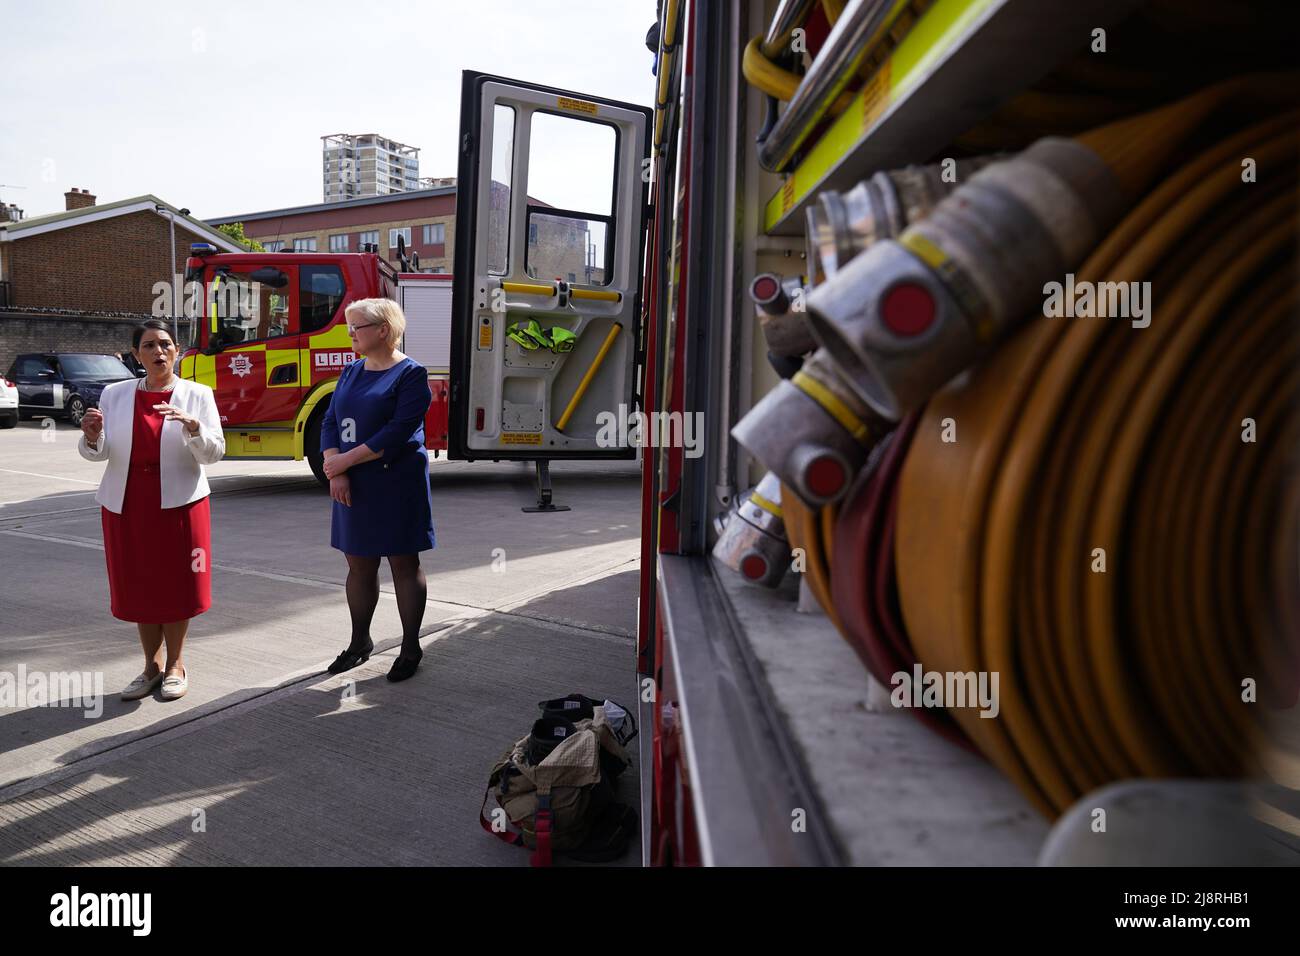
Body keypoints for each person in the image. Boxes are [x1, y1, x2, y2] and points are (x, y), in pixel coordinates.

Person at [79, 319, 225, 701]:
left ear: (177, 350)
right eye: (148, 346)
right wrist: (92, 437)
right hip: (127, 503)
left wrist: (195, 429)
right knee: (139, 584)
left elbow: (215, 453)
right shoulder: (114, 394)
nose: (158, 352)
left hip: (180, 502)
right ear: (135, 354)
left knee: (176, 584)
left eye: (164, 344)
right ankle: (150, 666)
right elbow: (100, 452)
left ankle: (176, 663)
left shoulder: (197, 394)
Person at [321, 298, 436, 682]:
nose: (350, 333)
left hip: (396, 480)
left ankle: (410, 647)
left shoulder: (411, 375)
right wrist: (335, 470)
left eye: (357, 327)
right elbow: (330, 421)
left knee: (404, 563)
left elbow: (398, 432)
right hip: (353, 481)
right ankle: (359, 643)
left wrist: (345, 462)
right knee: (359, 564)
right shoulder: (351, 371)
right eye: (350, 327)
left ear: (383, 330)